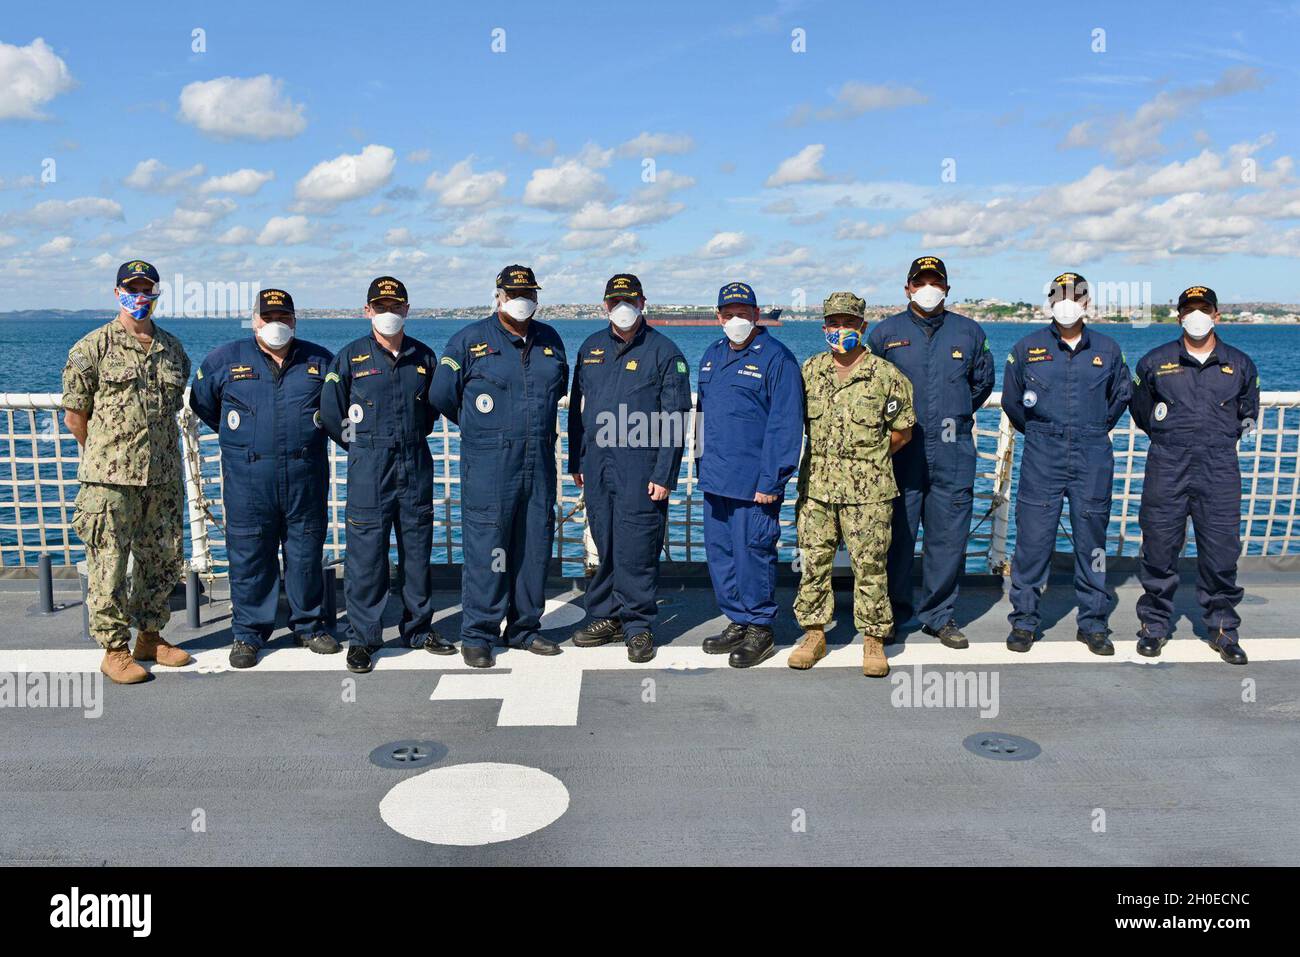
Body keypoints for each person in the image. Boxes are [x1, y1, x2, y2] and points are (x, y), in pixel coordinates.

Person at [189, 288, 338, 668]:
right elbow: (203, 403)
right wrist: (244, 440)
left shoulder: (320, 360)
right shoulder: (224, 360)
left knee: (305, 553)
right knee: (250, 554)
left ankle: (309, 625)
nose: (276, 324)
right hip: (248, 478)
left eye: (283, 317)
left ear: (295, 320)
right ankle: (249, 633)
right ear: (254, 320)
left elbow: (337, 408)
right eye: (268, 317)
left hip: (305, 475)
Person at [429, 265, 569, 668]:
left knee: (533, 546)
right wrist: (481, 427)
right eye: (514, 293)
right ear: (499, 296)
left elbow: (558, 387)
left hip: (538, 462)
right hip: (489, 465)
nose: (521, 300)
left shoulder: (550, 340)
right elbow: (441, 395)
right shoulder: (468, 341)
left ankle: (524, 628)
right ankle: (478, 632)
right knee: (488, 549)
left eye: (528, 294)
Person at [61, 260, 192, 683]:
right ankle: (114, 649)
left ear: (156, 293)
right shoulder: (92, 347)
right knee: (109, 564)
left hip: (162, 478)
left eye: (146, 289)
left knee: (162, 558)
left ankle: (150, 637)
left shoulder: (172, 350)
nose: (140, 297)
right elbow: (75, 417)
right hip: (110, 482)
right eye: (132, 289)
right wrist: (105, 456)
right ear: (117, 293)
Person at [320, 277, 452, 674]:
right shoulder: (349, 358)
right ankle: (364, 638)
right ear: (368, 311)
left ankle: (418, 628)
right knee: (366, 556)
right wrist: (362, 449)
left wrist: (407, 438)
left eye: (396, 307)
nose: (388, 313)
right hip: (369, 466)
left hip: (414, 461)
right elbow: (332, 413)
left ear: (407, 310)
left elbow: (432, 409)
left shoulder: (424, 357)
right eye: (381, 307)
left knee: (417, 551)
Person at [1001, 273, 1132, 654]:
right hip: (1043, 451)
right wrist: (1042, 432)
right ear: (1050, 302)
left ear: (1087, 302)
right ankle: (1024, 621)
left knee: (1092, 540)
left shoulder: (1108, 349)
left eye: (1075, 296)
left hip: (1092, 451)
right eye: (1060, 296)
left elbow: (1120, 398)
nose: (1067, 303)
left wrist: (1092, 429)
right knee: (1032, 540)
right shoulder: (1026, 348)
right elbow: (1012, 402)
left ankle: (1093, 623)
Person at [867, 256, 994, 647]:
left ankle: (939, 616)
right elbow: (871, 389)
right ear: (907, 288)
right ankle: (893, 612)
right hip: (901, 450)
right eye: (920, 282)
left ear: (947, 289)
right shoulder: (885, 334)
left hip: (952, 451)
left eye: (935, 282)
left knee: (948, 538)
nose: (928, 289)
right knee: (896, 537)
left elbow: (981, 385)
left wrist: (954, 414)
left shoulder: (969, 332)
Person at [1129, 285, 1258, 664]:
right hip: (1167, 464)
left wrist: (1216, 440)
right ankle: (1154, 625)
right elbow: (1142, 412)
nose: (1196, 316)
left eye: (1204, 309)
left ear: (1217, 315)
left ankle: (1223, 628)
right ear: (1179, 317)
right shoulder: (1154, 362)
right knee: (1159, 546)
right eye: (1189, 310)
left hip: (1219, 468)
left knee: (1221, 551)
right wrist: (1172, 438)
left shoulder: (1240, 364)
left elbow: (1248, 414)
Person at [568, 274, 692, 663]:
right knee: (605, 541)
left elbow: (676, 417)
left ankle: (638, 624)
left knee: (637, 546)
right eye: (615, 301)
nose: (622, 307)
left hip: (641, 465)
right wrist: (576, 459)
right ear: (605, 305)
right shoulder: (590, 348)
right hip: (597, 463)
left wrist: (665, 473)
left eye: (630, 300)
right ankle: (607, 615)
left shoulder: (665, 352)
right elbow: (576, 409)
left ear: (642, 303)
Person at [791, 293, 915, 677]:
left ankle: (874, 638)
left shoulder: (886, 376)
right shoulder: (809, 372)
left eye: (848, 323)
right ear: (824, 327)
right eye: (834, 323)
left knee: (871, 566)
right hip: (817, 489)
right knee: (813, 562)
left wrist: (868, 461)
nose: (840, 329)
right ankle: (813, 633)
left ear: (863, 327)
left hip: (869, 493)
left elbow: (903, 432)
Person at [696, 282, 804, 668]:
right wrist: (701, 466)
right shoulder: (711, 355)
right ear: (718, 317)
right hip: (715, 477)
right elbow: (703, 416)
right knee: (721, 554)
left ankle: (760, 626)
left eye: (743, 313)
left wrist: (772, 480)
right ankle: (738, 619)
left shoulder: (777, 359)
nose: (736, 320)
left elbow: (785, 424)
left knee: (753, 553)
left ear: (757, 315)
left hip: (754, 483)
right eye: (729, 314)